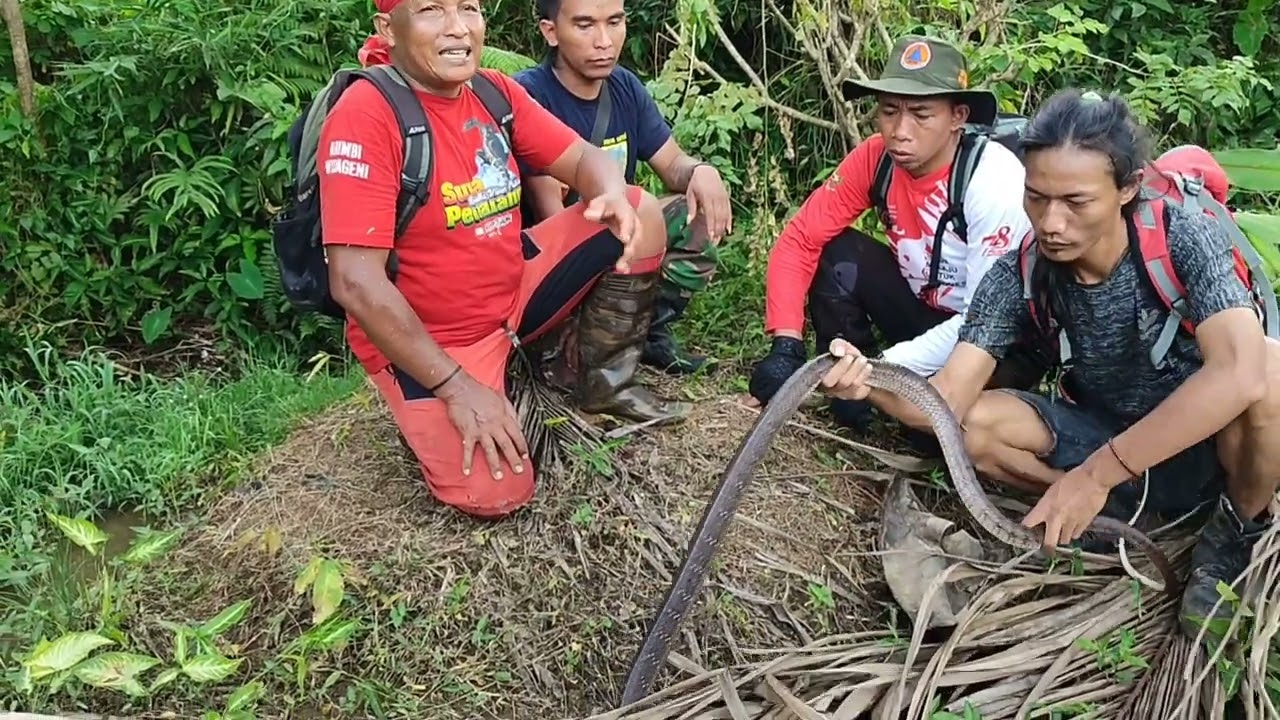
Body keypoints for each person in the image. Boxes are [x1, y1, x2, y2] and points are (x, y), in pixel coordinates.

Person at [817, 88, 1280, 639]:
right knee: (974, 427)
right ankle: (1123, 523)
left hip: (1208, 449)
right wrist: (867, 381)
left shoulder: (1180, 238)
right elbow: (944, 402)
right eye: (1036, 198)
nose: (1052, 222)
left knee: (1269, 375)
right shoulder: (1023, 272)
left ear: (1127, 189)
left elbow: (1240, 373)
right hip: (1107, 432)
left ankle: (1236, 527)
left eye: (1076, 202)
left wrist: (1098, 473)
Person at [319, 0, 690, 519]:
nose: (457, 28)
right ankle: (440, 396)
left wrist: (605, 187)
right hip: (438, 338)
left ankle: (602, 382)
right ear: (389, 29)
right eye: (431, 10)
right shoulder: (367, 113)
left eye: (468, 7)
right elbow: (355, 282)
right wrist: (457, 387)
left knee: (638, 210)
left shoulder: (493, 92)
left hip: (512, 289)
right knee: (494, 493)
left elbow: (583, 157)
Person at [747, 35, 1049, 438]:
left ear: (958, 116)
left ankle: (865, 385)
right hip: (925, 315)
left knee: (930, 434)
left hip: (994, 341)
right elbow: (801, 239)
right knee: (837, 254)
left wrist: (878, 370)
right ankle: (852, 401)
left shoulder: (992, 180)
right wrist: (785, 345)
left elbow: (984, 320)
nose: (900, 131)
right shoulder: (876, 160)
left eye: (921, 115)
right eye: (889, 111)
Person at [510, 0, 733, 375]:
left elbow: (672, 163)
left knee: (694, 212)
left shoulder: (624, 87)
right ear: (551, 32)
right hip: (553, 253)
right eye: (584, 26)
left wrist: (701, 171)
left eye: (614, 22)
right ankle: (571, 341)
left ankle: (646, 333)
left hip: (620, 232)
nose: (604, 41)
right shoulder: (531, 96)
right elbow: (553, 214)